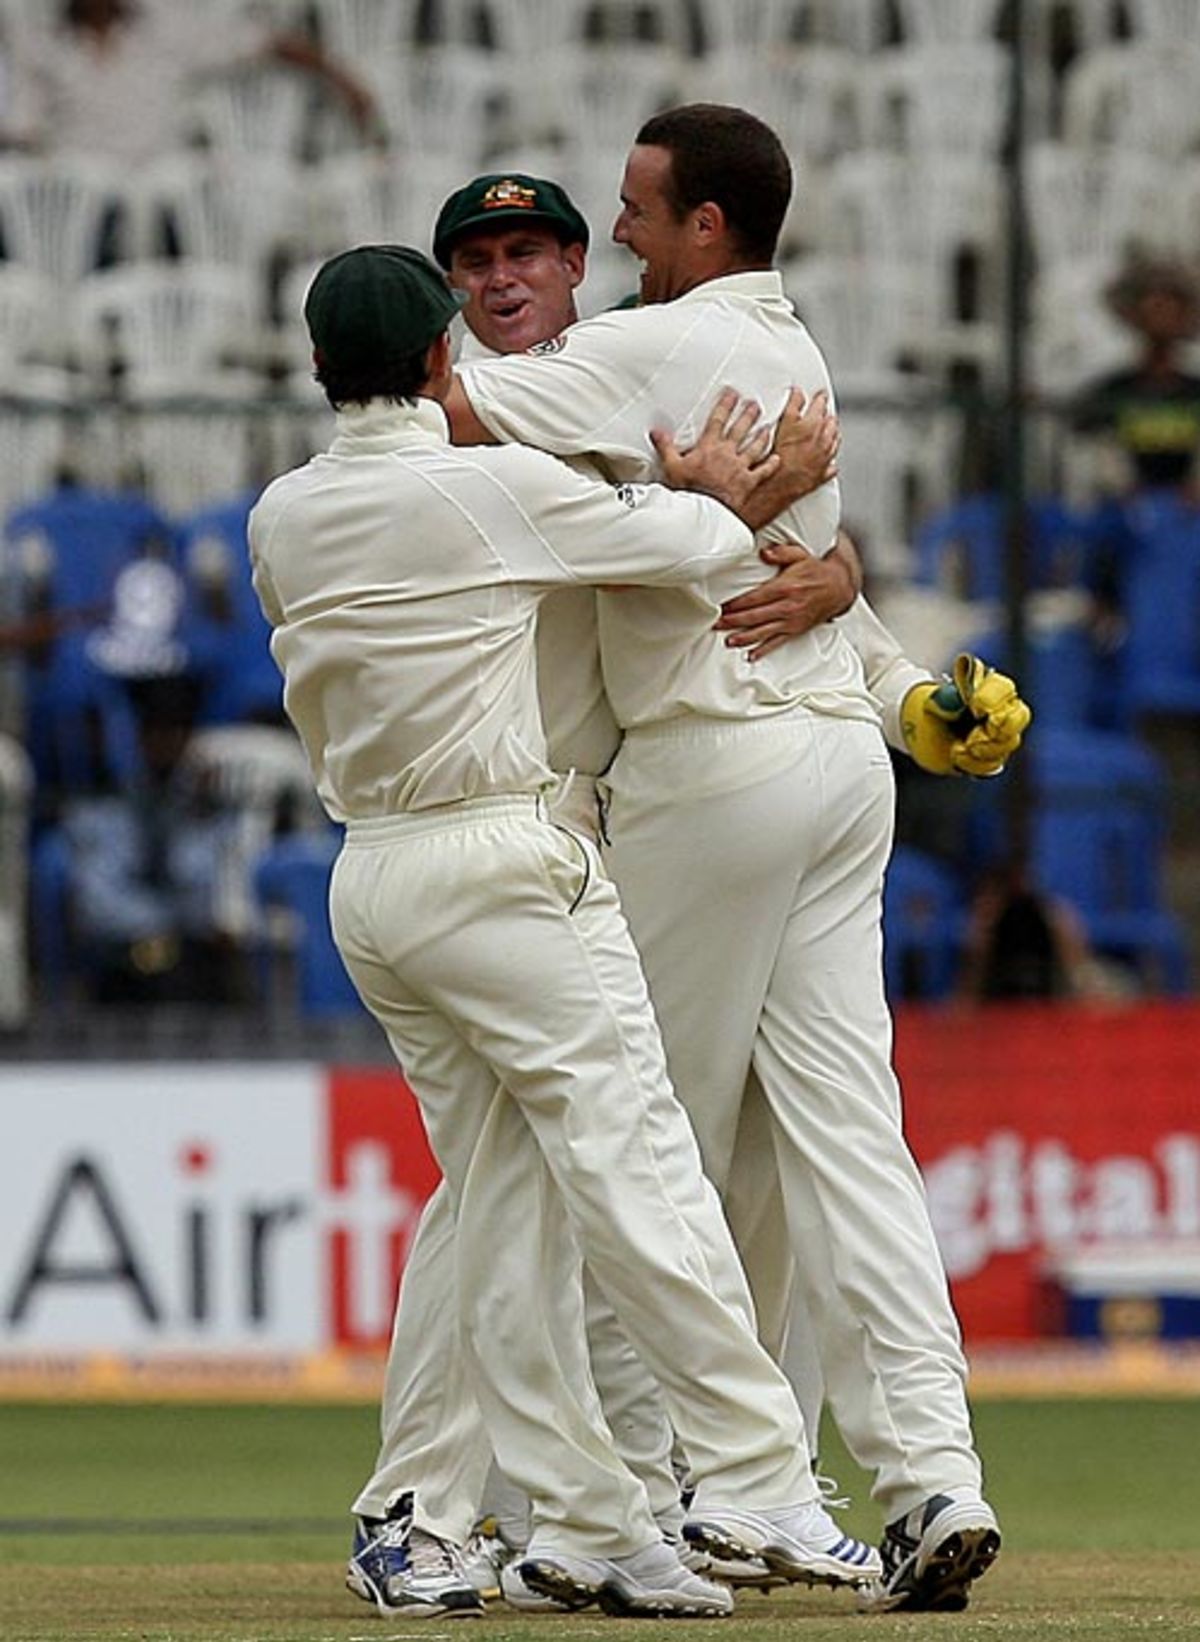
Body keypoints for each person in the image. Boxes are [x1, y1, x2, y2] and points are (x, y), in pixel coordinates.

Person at [348, 147, 1027, 1619]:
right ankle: (481, 1503)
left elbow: (740, 570)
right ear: (438, 309)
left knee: (694, 1157)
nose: (506, 278)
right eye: (474, 265)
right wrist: (783, 542)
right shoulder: (436, 439)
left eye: (540, 251)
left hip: (661, 801)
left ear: (597, 264)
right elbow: (594, 503)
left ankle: (707, 1499)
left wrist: (862, 618)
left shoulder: (616, 368)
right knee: (601, 1164)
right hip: (505, 838)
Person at [249, 243, 883, 1620]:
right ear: (440, 360)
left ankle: (584, 1521)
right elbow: (696, 553)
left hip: (373, 881)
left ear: (314, 372)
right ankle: (759, 1473)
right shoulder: (484, 490)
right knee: (641, 1158)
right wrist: (731, 495)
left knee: (504, 1199)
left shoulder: (281, 515)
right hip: (501, 859)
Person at [0, 0, 376, 166]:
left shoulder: (165, 28)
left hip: (162, 183)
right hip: (92, 192)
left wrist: (341, 79)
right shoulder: (42, 44)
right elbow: (23, 127)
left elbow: (263, 44)